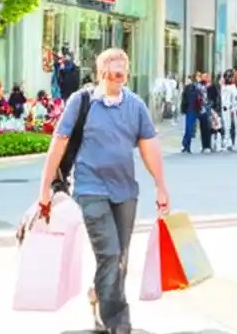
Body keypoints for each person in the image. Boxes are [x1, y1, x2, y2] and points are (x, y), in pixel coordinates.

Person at [37, 48, 169, 334]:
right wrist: (44, 189)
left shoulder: (135, 106)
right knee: (109, 253)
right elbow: (59, 142)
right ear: (101, 71)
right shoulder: (81, 102)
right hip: (90, 188)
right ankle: (118, 322)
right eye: (112, 65)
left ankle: (99, 294)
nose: (118, 70)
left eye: (122, 66)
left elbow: (150, 147)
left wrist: (161, 186)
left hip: (125, 191)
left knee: (120, 256)